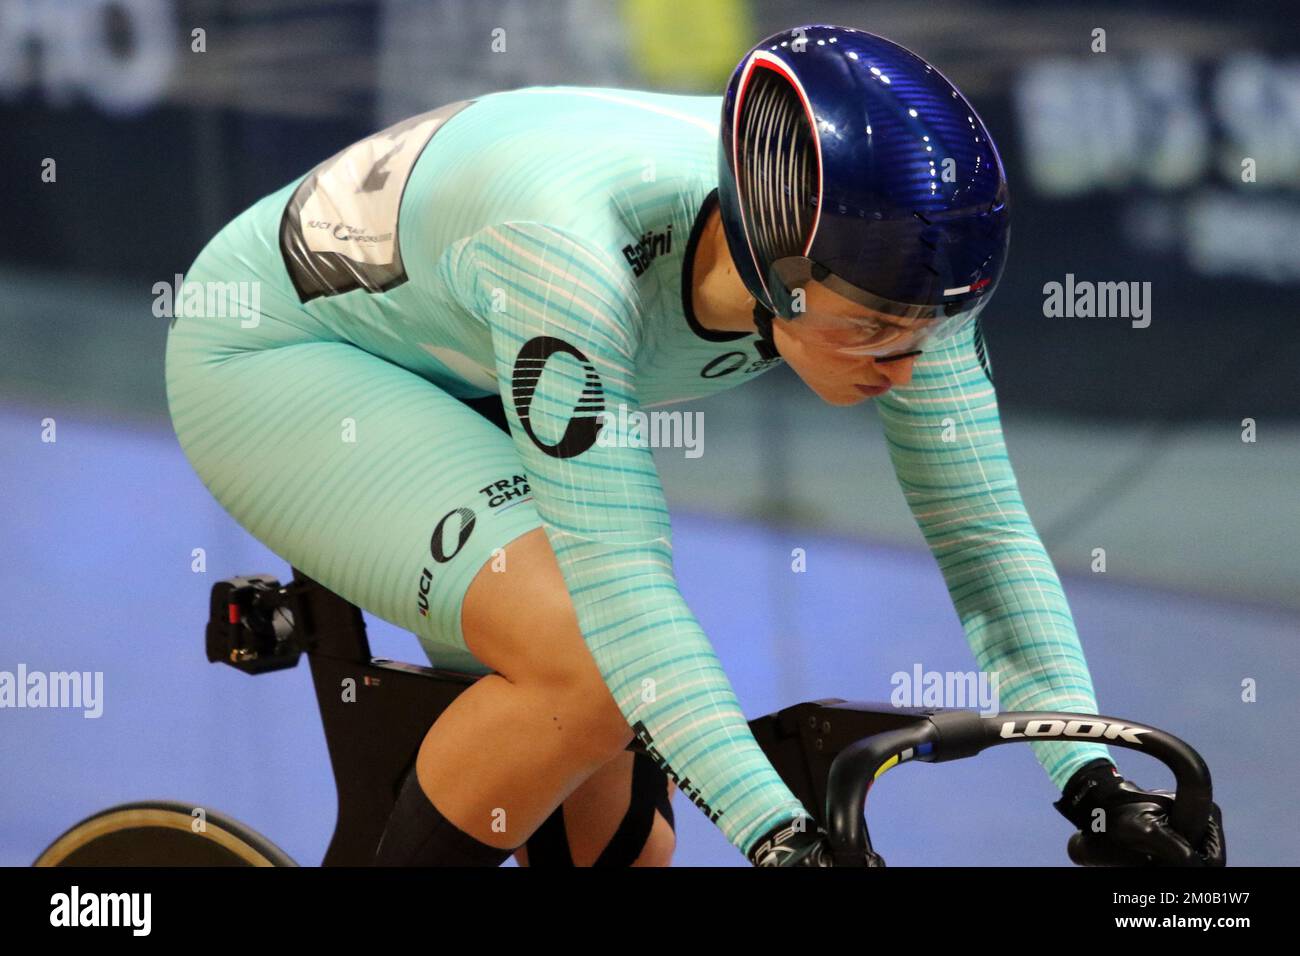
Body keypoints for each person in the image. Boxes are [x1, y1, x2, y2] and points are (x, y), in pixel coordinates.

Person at [165, 24, 1223, 866]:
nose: (901, 363)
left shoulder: (892, 273)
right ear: (773, 270)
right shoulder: (569, 250)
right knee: (585, 672)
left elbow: (985, 545)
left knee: (624, 847)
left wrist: (1094, 778)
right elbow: (625, 587)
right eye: (868, 330)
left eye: (927, 330)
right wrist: (781, 833)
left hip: (475, 351)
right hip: (282, 358)